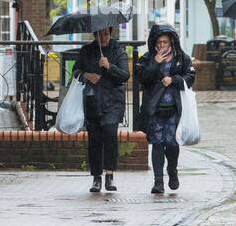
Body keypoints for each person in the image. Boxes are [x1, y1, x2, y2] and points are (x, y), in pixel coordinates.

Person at [136, 24, 195, 194]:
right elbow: (142, 77)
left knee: (171, 144)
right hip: (155, 109)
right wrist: (155, 63)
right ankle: (158, 182)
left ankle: (172, 171)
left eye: (165, 42)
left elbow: (190, 77)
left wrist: (174, 79)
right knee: (157, 144)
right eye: (159, 42)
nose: (162, 46)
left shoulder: (181, 58)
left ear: (171, 42)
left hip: (174, 109)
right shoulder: (147, 58)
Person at [75, 25, 130, 192]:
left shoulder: (118, 51)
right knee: (95, 138)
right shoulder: (86, 50)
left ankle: (110, 174)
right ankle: (96, 177)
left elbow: (125, 76)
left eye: (106, 34)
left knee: (110, 133)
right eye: (100, 34)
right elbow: (76, 71)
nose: (104, 37)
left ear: (110, 33)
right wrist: (87, 75)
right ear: (95, 35)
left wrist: (109, 66)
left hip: (113, 100)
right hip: (93, 99)